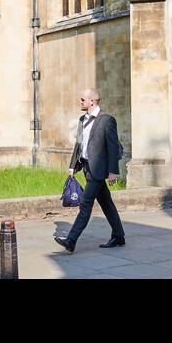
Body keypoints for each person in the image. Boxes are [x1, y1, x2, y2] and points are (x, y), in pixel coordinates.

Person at [54, 88, 125, 253]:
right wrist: (72, 166)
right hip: (87, 167)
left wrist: (113, 172)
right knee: (106, 204)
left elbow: (113, 147)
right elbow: (79, 145)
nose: (80, 102)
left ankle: (71, 240)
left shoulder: (107, 120)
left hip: (98, 170)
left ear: (92, 101)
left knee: (85, 204)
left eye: (82, 100)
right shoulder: (82, 120)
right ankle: (119, 236)